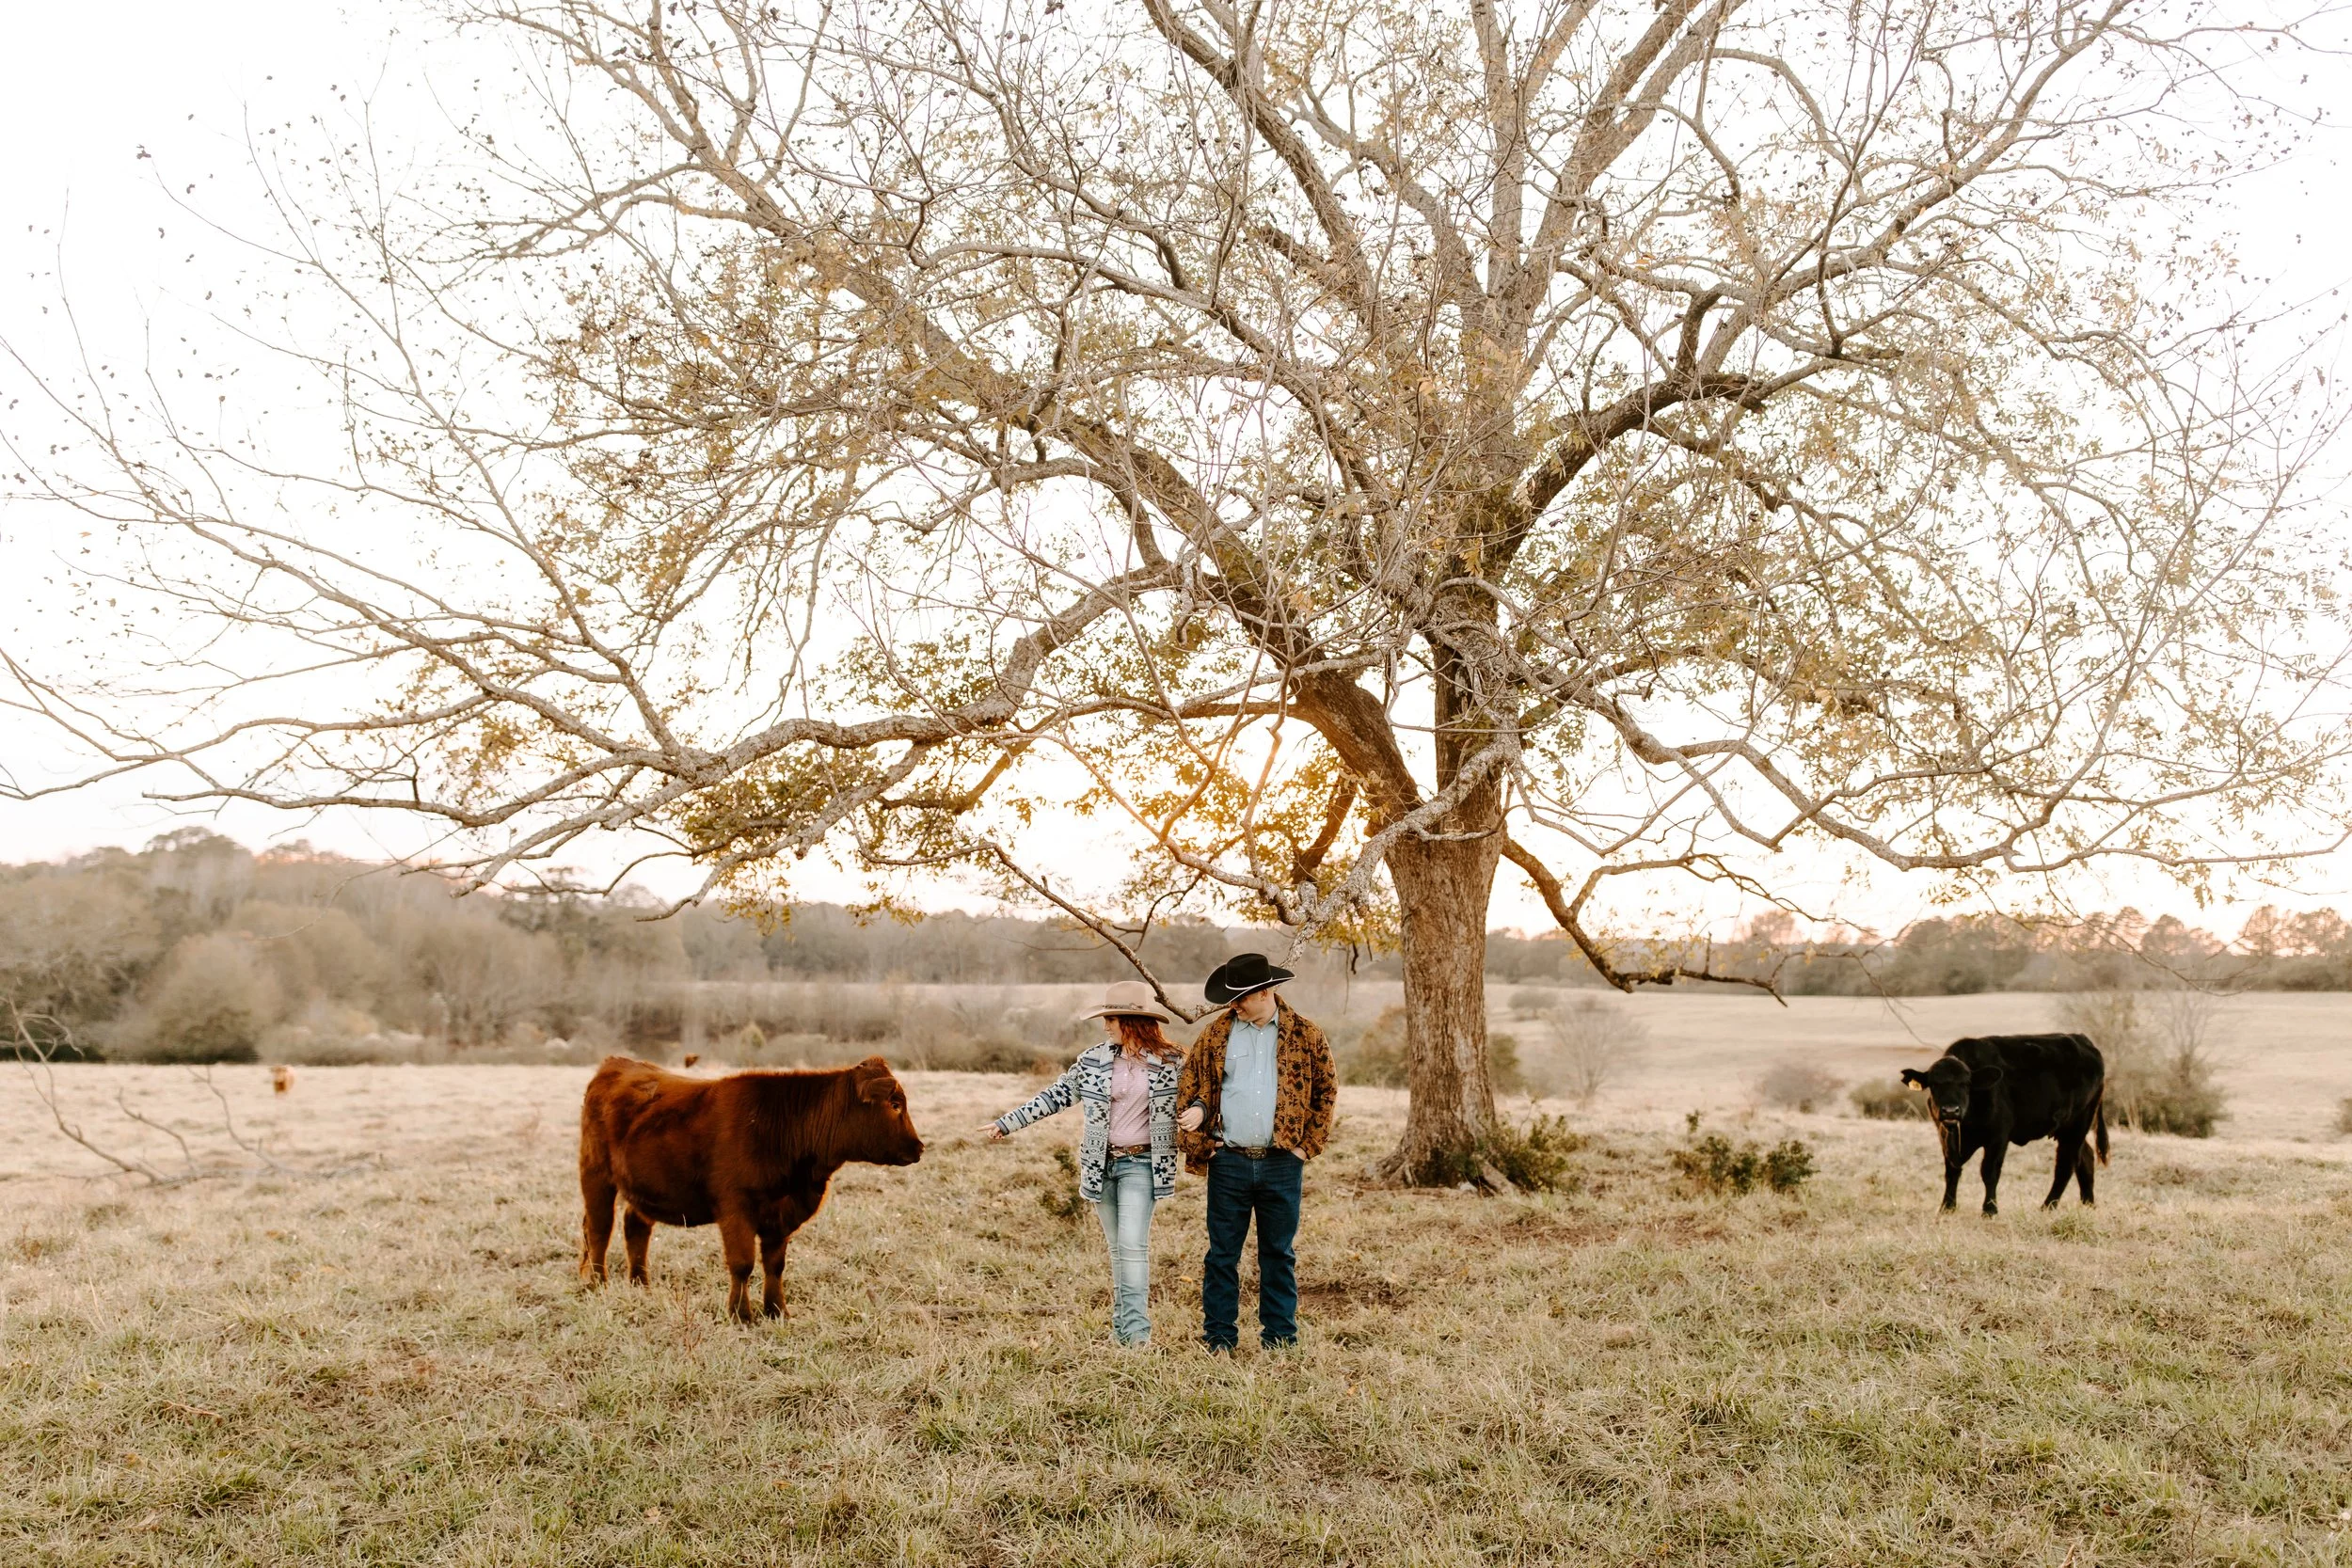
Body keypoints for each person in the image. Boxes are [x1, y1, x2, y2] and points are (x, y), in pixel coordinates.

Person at [977, 980, 1185, 1346]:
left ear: (1131, 1021)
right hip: (1100, 1165)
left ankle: (1137, 1337)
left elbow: (1202, 1098)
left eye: (1110, 1019)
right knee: (1119, 1251)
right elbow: (1056, 1095)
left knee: (1132, 1248)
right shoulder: (1093, 1060)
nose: (1105, 1026)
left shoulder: (1172, 1063)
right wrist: (1007, 1123)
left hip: (1142, 1164)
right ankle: (1123, 1333)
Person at [1175, 952, 1338, 1352]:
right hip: (1228, 1161)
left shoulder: (1306, 1034)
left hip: (1283, 1163)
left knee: (1278, 1254)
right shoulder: (1216, 1035)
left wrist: (1305, 1149)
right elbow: (1190, 1086)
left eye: (1241, 998)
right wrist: (1203, 1142)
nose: (1234, 1005)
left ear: (1265, 992)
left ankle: (1280, 1339)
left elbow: (1326, 1092)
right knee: (1221, 1255)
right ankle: (1219, 1339)